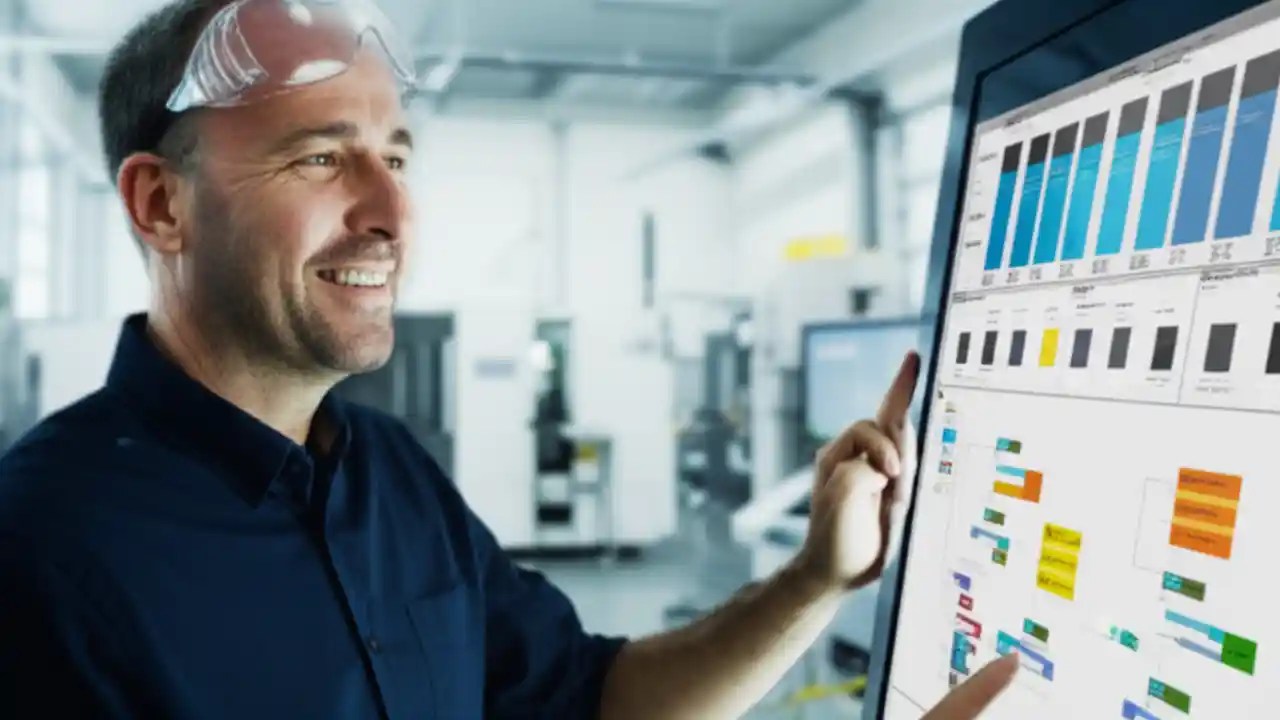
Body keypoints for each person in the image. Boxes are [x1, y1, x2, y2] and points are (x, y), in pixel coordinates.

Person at [0, 1, 1017, 717]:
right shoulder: (44, 553)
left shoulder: (387, 475)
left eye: (396, 158)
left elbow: (595, 700)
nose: (393, 214)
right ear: (160, 204)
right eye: (318, 156)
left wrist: (816, 577)